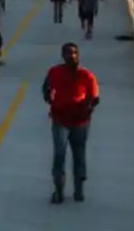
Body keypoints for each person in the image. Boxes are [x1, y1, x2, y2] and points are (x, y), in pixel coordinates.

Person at [42, 43, 100, 203]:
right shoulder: (54, 72)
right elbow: (45, 89)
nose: (71, 56)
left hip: (80, 122)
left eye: (74, 53)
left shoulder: (87, 76)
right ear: (63, 56)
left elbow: (95, 98)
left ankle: (79, 189)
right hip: (60, 119)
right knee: (59, 154)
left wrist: (88, 108)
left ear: (79, 56)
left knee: (79, 154)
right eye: (68, 53)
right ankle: (59, 190)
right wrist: (49, 98)